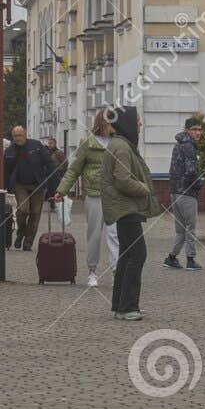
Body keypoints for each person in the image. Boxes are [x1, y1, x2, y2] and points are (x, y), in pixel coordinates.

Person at [101, 105, 157, 320]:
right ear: (127, 124)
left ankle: (120, 305)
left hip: (122, 207)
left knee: (126, 255)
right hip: (125, 207)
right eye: (137, 121)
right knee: (137, 255)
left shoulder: (119, 144)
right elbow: (123, 180)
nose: (140, 125)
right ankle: (129, 307)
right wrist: (145, 189)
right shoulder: (122, 147)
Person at [52, 109, 120, 288]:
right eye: (110, 122)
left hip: (115, 195)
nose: (113, 126)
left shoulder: (119, 143)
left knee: (115, 235)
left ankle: (116, 271)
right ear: (102, 123)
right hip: (94, 195)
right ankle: (92, 271)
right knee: (94, 235)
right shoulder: (87, 144)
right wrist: (62, 191)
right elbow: (74, 170)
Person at [4, 126, 57, 251]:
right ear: (12, 137)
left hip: (38, 184)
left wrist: (54, 182)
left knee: (35, 214)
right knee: (23, 210)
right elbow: (6, 170)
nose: (18, 138)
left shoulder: (36, 145)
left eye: (20, 135)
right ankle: (21, 232)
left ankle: (28, 242)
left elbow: (49, 163)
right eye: (15, 136)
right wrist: (5, 187)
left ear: (25, 134)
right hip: (20, 184)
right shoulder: (10, 151)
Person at [164, 115, 205, 271]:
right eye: (194, 129)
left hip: (175, 191)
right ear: (187, 130)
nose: (198, 133)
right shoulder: (189, 146)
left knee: (180, 229)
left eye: (200, 130)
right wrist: (199, 184)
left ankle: (171, 258)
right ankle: (190, 260)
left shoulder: (179, 144)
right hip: (187, 192)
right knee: (190, 228)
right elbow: (191, 171)